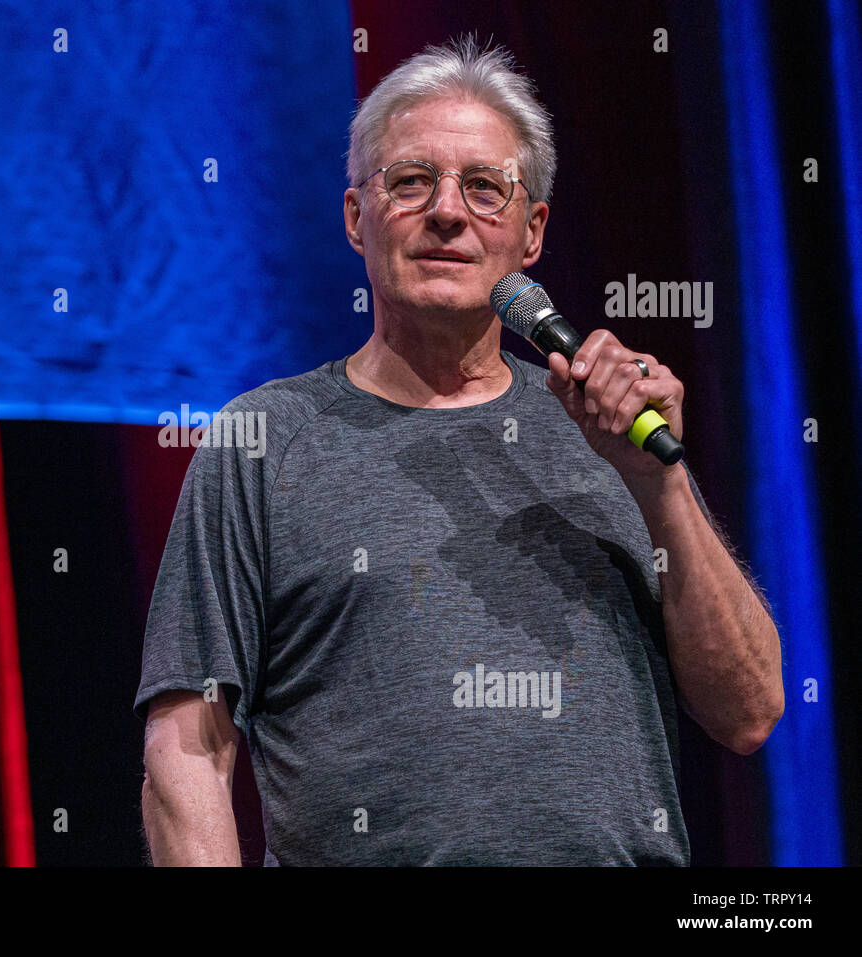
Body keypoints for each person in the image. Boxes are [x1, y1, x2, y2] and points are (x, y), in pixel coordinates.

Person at [133, 35, 783, 866]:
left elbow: (752, 710)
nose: (448, 210)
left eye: (485, 187)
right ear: (354, 216)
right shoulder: (261, 442)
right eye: (411, 181)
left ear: (532, 231)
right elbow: (186, 749)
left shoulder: (608, 430)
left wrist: (661, 488)